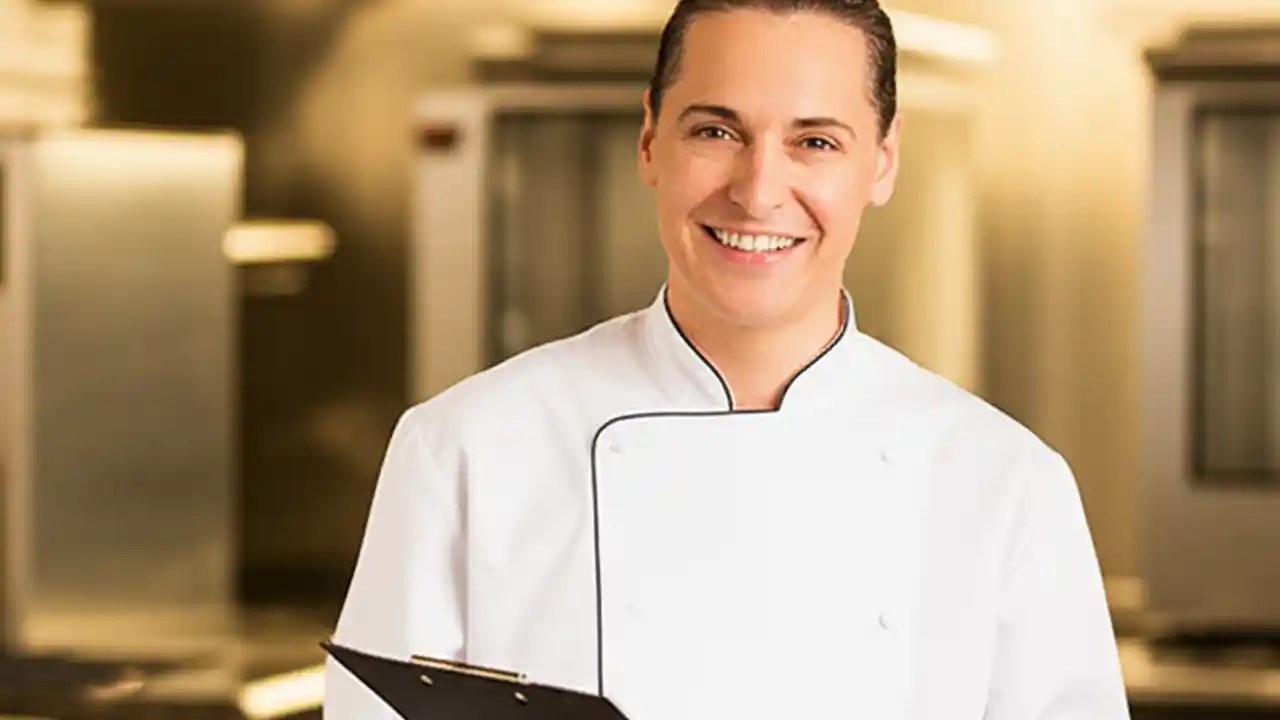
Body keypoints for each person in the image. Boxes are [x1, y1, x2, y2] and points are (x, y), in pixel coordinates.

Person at [325, 0, 1131, 718]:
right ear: (650, 140)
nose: (757, 189)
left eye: (815, 141)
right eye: (716, 131)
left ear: (882, 161)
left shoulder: (1007, 484)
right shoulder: (466, 448)